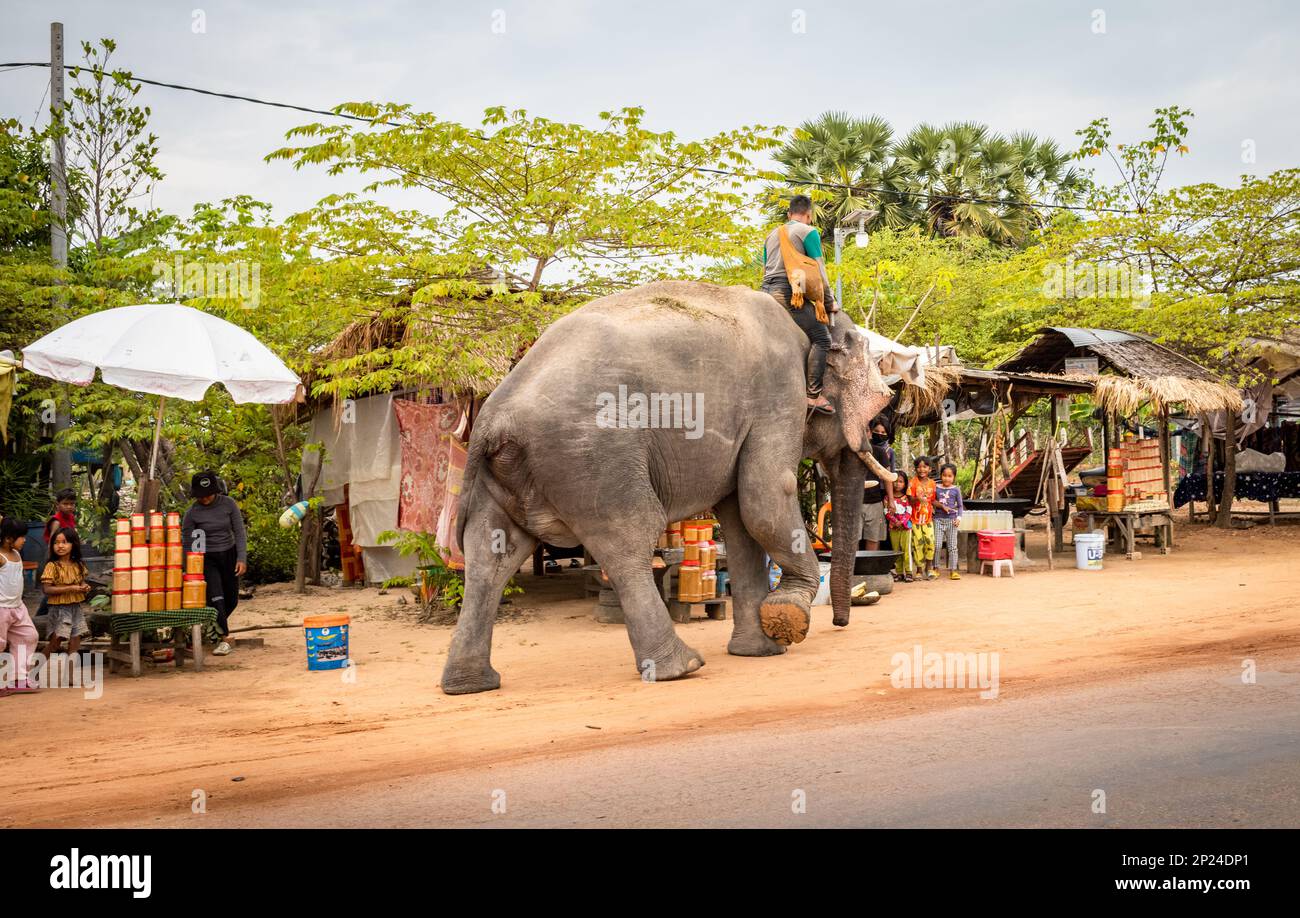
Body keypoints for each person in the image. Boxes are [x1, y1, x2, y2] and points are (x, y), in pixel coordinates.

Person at [761, 194, 838, 415]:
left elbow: (767, 268)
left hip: (765, 292)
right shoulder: (808, 232)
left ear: (788, 215)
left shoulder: (772, 234)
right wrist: (830, 302)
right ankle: (813, 395)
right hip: (787, 294)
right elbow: (819, 270)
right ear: (809, 215)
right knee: (822, 339)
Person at [181, 470, 247, 657]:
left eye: (208, 494)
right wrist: (190, 570)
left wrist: (241, 558)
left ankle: (207, 628)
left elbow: (240, 532)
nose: (205, 499)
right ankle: (224, 639)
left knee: (231, 600)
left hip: (229, 554)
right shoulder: (192, 513)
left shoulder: (229, 505)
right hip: (206, 558)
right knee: (216, 597)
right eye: (201, 496)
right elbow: (188, 544)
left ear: (216, 491)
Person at [0, 517, 39, 695]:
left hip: (17, 607)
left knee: (29, 636)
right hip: (1, 608)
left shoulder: (15, 553)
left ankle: (19, 678)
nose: (24, 540)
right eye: (21, 537)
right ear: (8, 538)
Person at [41, 528, 90, 657]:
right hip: (59, 609)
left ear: (73, 544)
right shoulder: (52, 566)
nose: (60, 546)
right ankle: (34, 671)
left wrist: (84, 587)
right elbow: (47, 589)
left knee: (75, 642)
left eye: (64, 542)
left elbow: (81, 582)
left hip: (76, 607)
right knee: (55, 644)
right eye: (56, 543)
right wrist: (71, 588)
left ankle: (69, 676)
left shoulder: (78, 565)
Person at [860, 417, 895, 550]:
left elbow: (887, 477)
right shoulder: (850, 450)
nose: (877, 435)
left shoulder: (881, 452)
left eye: (883, 432)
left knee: (874, 536)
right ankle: (853, 569)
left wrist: (891, 500)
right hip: (853, 500)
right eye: (875, 431)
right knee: (852, 537)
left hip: (875, 501)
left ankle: (870, 567)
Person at [934, 463, 965, 581]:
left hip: (952, 521)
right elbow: (932, 501)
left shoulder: (956, 490)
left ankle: (953, 571)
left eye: (950, 476)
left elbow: (961, 506)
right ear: (941, 475)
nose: (947, 478)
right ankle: (935, 568)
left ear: (954, 477)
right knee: (937, 545)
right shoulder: (936, 488)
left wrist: (959, 518)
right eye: (944, 475)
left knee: (952, 547)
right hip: (938, 520)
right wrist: (941, 506)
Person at [908, 457, 938, 581]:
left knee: (930, 542)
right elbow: (910, 499)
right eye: (919, 467)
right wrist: (917, 499)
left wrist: (944, 506)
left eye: (924, 467)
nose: (922, 469)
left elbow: (933, 500)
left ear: (930, 469)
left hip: (928, 519)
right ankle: (919, 569)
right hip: (915, 519)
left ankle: (929, 568)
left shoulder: (932, 483)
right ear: (916, 469)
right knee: (917, 544)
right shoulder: (913, 482)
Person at [885, 472, 914, 582]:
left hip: (906, 528)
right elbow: (886, 512)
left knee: (906, 550)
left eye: (901, 481)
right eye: (895, 481)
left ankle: (909, 572)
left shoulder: (907, 498)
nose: (897, 484)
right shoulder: (887, 498)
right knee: (896, 551)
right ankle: (899, 573)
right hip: (893, 528)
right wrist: (895, 521)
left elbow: (909, 511)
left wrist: (901, 522)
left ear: (905, 484)